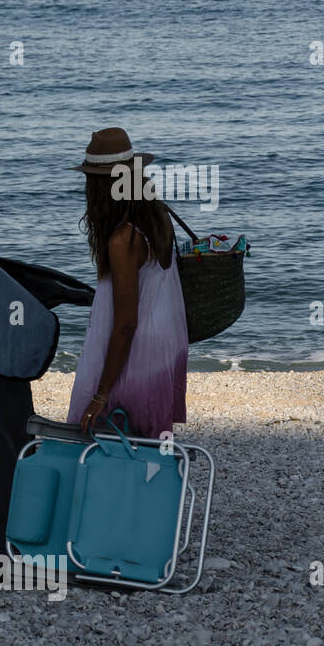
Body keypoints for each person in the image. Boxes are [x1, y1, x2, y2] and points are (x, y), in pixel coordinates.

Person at [66, 127, 188, 438]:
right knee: (144, 449)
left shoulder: (123, 238)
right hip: (161, 352)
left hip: (135, 357)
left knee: (97, 440)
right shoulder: (157, 217)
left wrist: (101, 393)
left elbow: (125, 324)